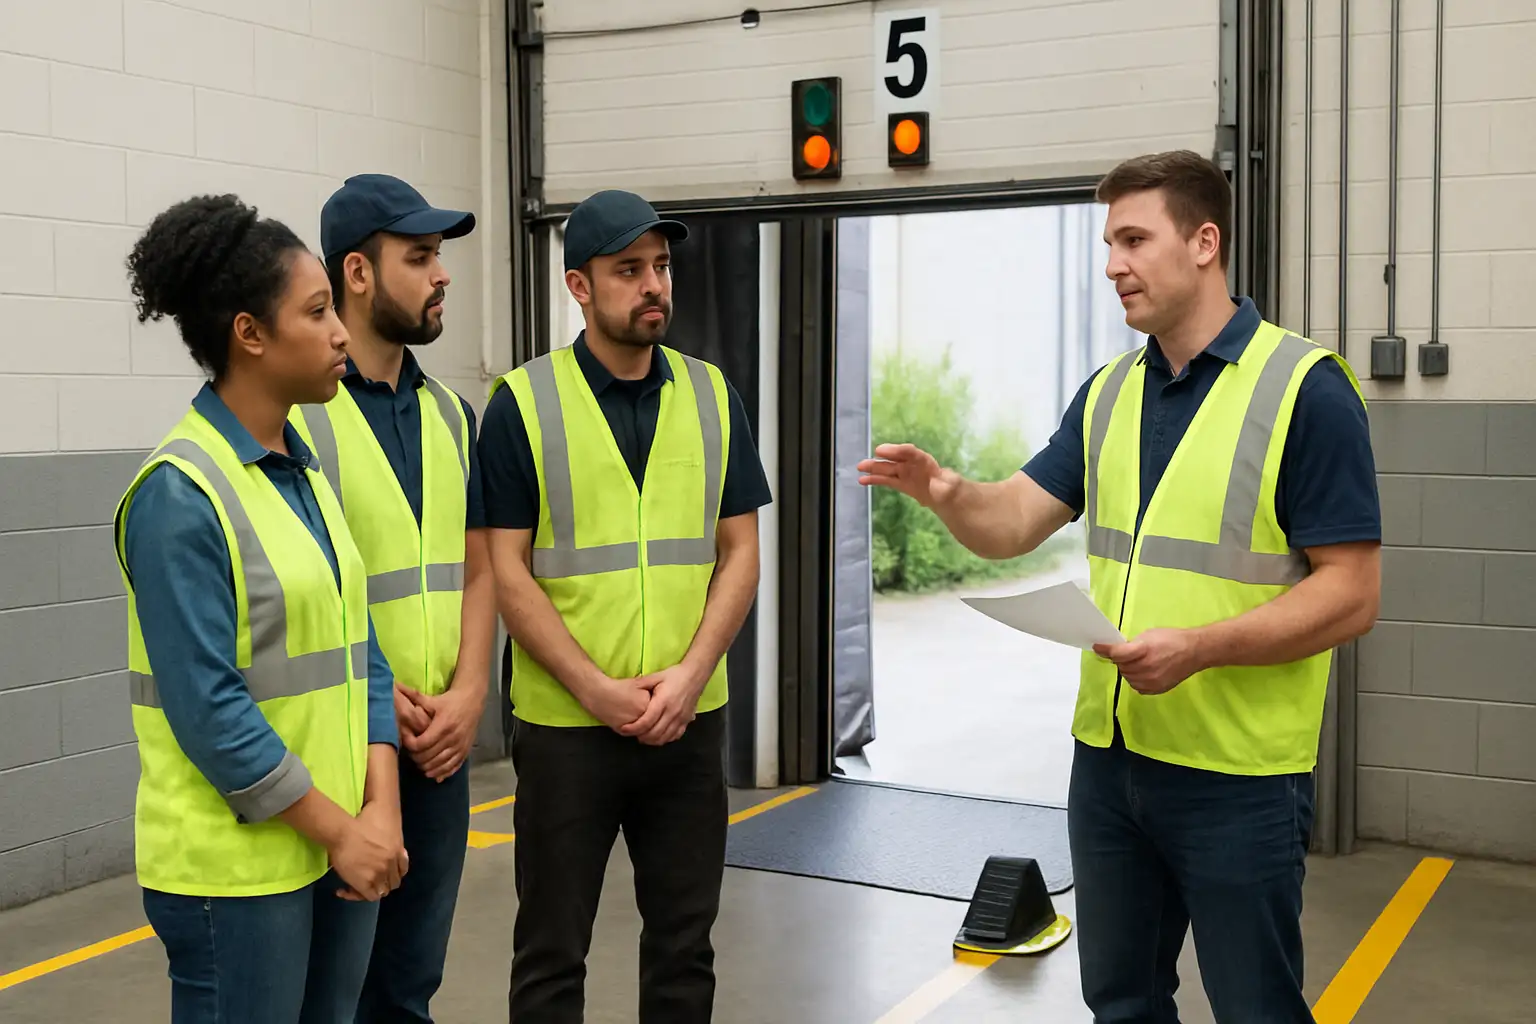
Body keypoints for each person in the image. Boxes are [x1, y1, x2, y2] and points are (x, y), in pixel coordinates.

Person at [858, 150, 1382, 1024]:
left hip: (1236, 776)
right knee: (1122, 1002)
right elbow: (1013, 522)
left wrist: (1200, 648)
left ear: (1205, 243)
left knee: (1255, 1008)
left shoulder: (1305, 391)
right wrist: (947, 491)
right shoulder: (1107, 394)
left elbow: (1353, 593)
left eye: (1134, 240)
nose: (1112, 265)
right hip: (1109, 765)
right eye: (1108, 243)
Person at [114, 194, 410, 1024]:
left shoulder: (303, 472)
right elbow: (210, 710)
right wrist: (343, 832)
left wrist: (381, 810)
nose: (341, 332)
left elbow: (363, 655)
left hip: (333, 846)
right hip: (236, 875)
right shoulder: (179, 494)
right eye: (317, 313)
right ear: (250, 334)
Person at [479, 189, 773, 1022]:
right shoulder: (523, 404)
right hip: (566, 731)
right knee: (550, 955)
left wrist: (689, 677)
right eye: (628, 270)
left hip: (688, 724)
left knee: (685, 950)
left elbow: (741, 552)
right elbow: (507, 571)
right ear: (579, 286)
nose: (653, 285)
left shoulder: (712, 396)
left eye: (662, 267)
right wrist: (596, 690)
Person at [290, 172, 495, 1023]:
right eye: (419, 257)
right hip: (341, 760)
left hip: (440, 753)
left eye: (439, 255)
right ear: (358, 273)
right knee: (331, 997)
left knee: (409, 992)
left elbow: (478, 570)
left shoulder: (452, 415)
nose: (442, 275)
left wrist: (470, 695)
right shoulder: (298, 421)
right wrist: (386, 703)